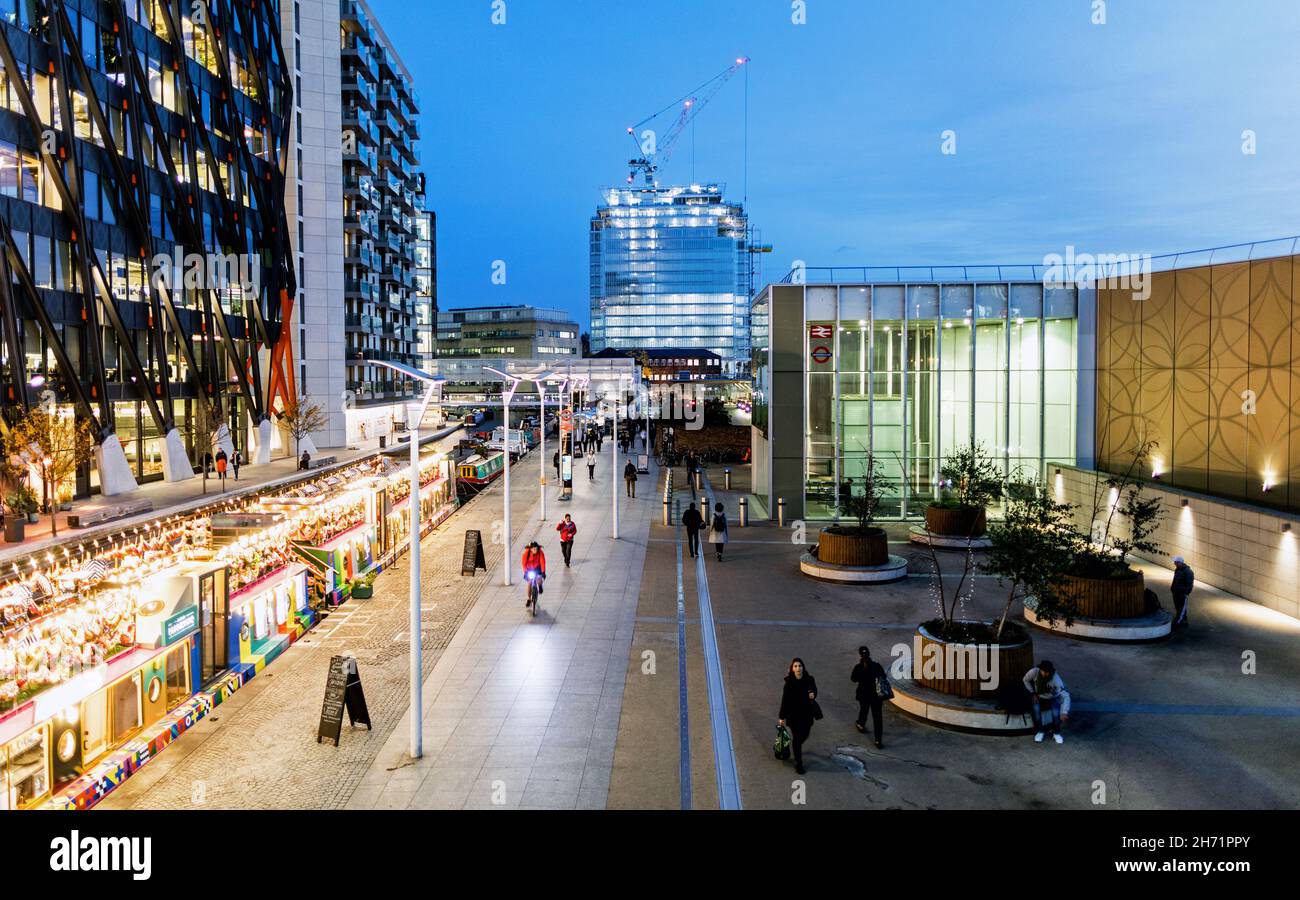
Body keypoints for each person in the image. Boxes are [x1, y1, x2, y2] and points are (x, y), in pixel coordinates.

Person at [778, 658, 819, 775]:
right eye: (795, 666)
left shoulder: (809, 680)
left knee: (804, 735)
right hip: (793, 716)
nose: (798, 668)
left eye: (800, 666)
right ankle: (798, 763)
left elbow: (815, 691)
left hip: (807, 714)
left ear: (803, 668)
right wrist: (781, 717)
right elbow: (784, 701)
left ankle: (797, 747)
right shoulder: (789, 683)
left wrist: (813, 695)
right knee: (796, 739)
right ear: (792, 669)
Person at [1022, 659, 1071, 744]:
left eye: (1047, 672)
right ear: (1040, 669)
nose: (1045, 674)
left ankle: (1056, 733)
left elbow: (1065, 695)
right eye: (1043, 671)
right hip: (1039, 696)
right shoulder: (1034, 672)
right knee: (1036, 711)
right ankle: (1040, 731)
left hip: (1053, 697)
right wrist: (1032, 692)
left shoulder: (1056, 679)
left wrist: (1064, 712)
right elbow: (1025, 680)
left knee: (1056, 714)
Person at [850, 646, 887, 748]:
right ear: (869, 654)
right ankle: (878, 741)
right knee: (877, 718)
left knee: (864, 709)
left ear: (860, 655)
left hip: (863, 695)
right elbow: (883, 676)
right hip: (876, 696)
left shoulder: (858, 667)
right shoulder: (876, 666)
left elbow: (853, 679)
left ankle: (861, 724)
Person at [1171, 556, 1195, 628]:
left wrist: (1186, 593)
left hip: (1182, 593)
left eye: (1176, 562)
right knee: (1178, 606)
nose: (1174, 563)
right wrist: (1172, 588)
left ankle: (1178, 622)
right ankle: (1183, 620)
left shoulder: (1188, 572)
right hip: (1175, 591)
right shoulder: (1177, 569)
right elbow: (1175, 580)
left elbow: (1189, 583)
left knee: (1181, 607)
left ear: (1180, 562)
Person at [521, 541, 546, 605]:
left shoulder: (540, 552)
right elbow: (523, 563)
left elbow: (542, 562)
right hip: (529, 569)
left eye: (536, 548)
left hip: (537, 567)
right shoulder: (526, 553)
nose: (535, 550)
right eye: (534, 549)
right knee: (529, 583)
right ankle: (529, 598)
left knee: (539, 578)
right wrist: (525, 571)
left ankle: (540, 585)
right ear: (531, 549)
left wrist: (543, 572)